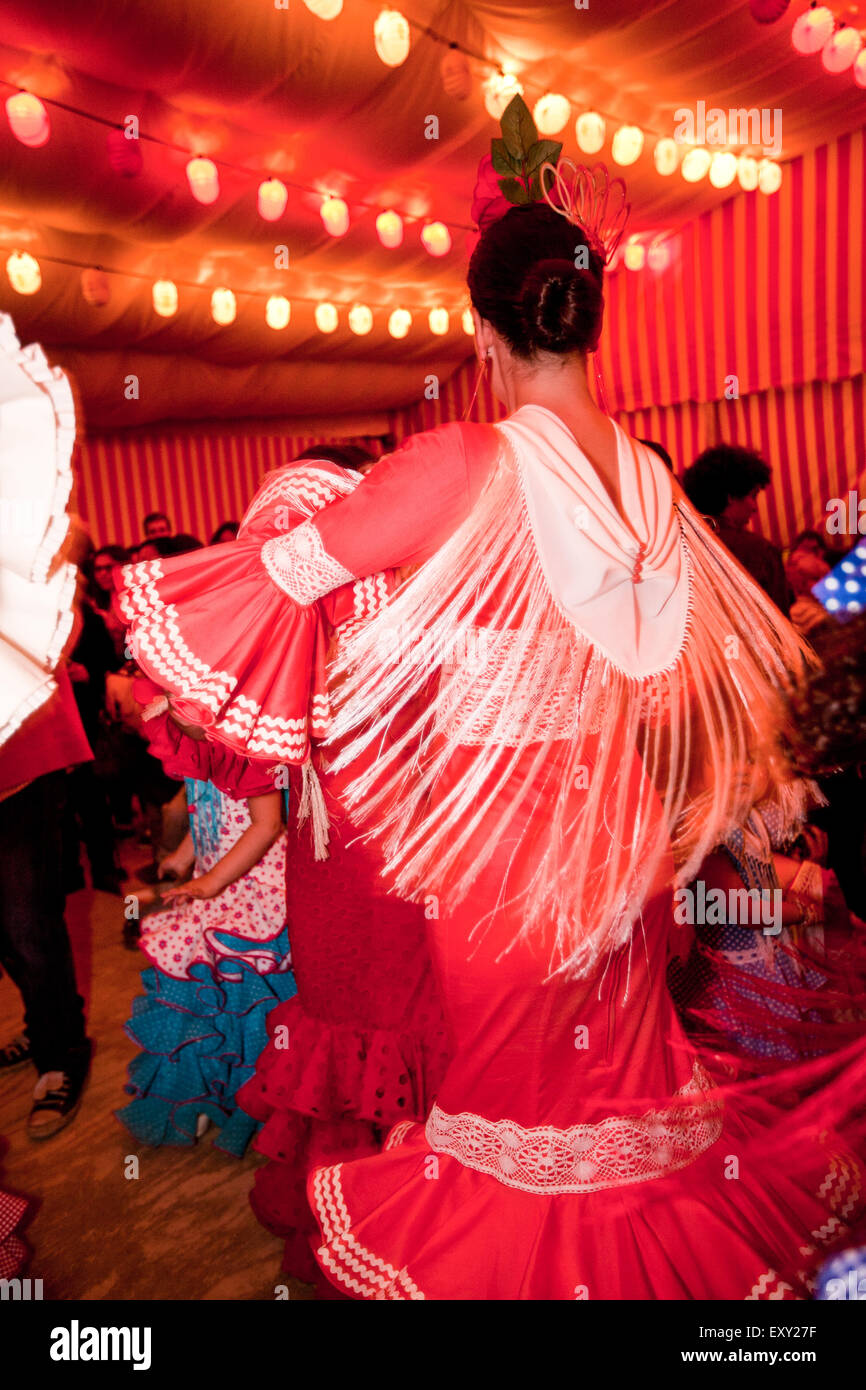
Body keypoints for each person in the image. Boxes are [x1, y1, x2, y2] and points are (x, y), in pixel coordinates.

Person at [112, 111, 866, 1300]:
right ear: (588, 313)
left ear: (479, 328)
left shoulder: (457, 465)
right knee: (622, 1110)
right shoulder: (650, 480)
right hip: (622, 847)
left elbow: (275, 585)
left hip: (505, 868)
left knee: (516, 1133)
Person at [116, 683, 295, 1153]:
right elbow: (203, 808)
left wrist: (213, 880)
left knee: (251, 1003)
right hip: (212, 885)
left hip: (258, 894)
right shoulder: (200, 747)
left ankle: (254, 1105)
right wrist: (181, 857)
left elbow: (266, 825)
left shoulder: (253, 748)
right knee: (201, 994)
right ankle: (200, 1094)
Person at [682, 444, 792, 614]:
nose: (754, 507)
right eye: (753, 496)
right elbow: (780, 623)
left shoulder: (679, 543)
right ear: (732, 496)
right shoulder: (759, 551)